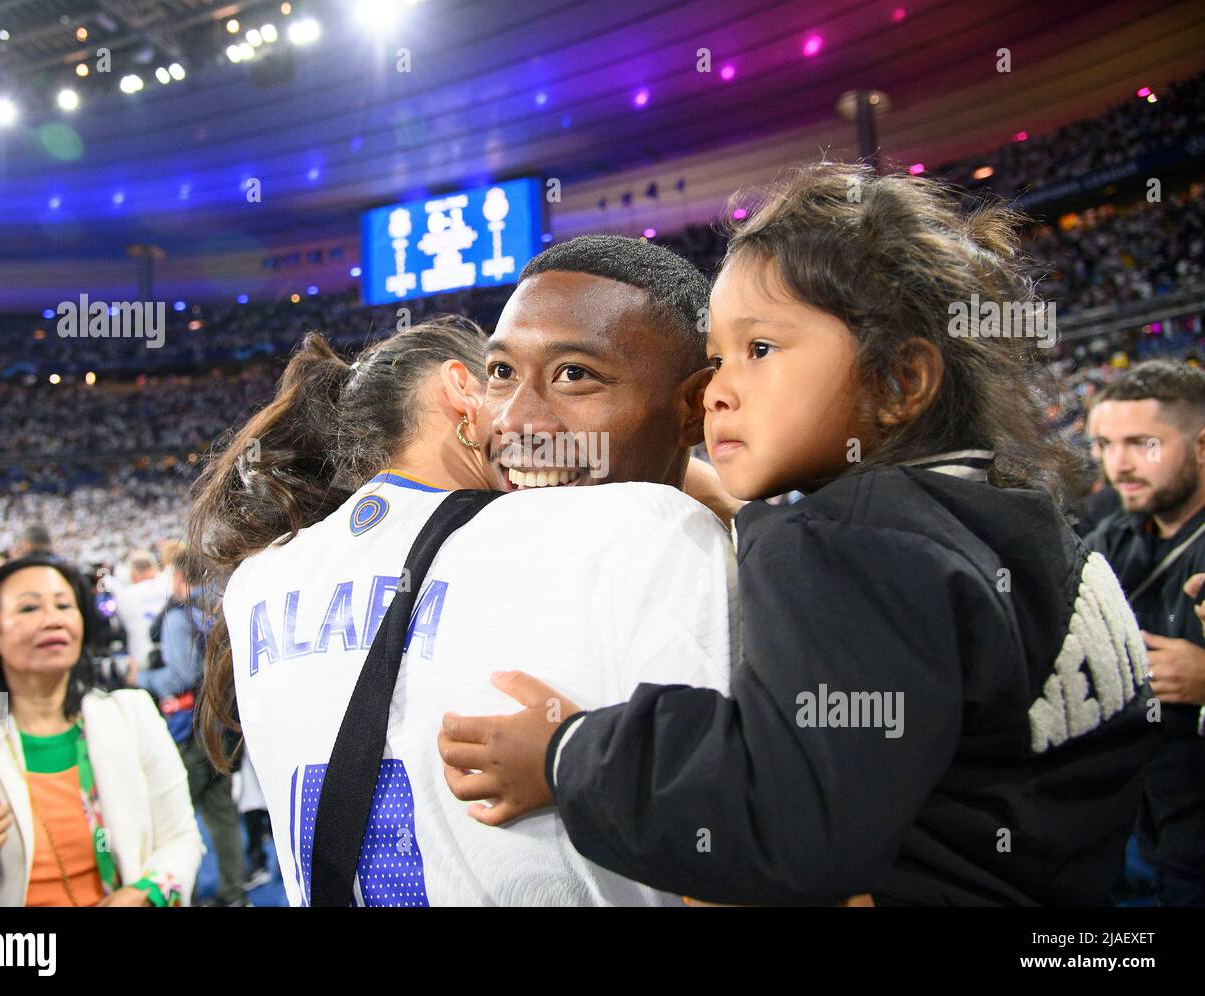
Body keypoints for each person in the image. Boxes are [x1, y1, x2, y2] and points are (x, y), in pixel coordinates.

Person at [438, 161, 1158, 906]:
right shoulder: (1018, 523)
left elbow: (787, 822)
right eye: (716, 358)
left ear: (900, 382)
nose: (716, 391)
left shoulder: (836, 539)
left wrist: (566, 754)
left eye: (760, 351)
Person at [197, 244, 736, 906]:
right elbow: (731, 857)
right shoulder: (647, 529)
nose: (515, 419)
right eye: (501, 371)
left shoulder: (261, 575)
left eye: (573, 375)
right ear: (464, 389)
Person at [0, 556, 201, 906]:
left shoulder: (133, 716)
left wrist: (145, 895)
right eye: (29, 608)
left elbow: (182, 838)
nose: (53, 619)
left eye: (64, 605)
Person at [1086, 360, 1205, 905]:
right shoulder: (1111, 540)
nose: (1119, 466)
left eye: (1141, 444)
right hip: (1140, 833)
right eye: (1105, 445)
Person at [130, 546, 246, 907]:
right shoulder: (224, 606)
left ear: (179, 578)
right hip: (225, 723)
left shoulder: (179, 616)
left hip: (194, 728)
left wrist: (143, 677)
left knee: (178, 818)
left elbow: (181, 675)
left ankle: (185, 894)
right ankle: (234, 893)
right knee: (222, 813)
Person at [112, 549, 169, 674]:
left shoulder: (124, 597)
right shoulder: (170, 586)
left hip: (142, 666)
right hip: (175, 659)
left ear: (133, 573)